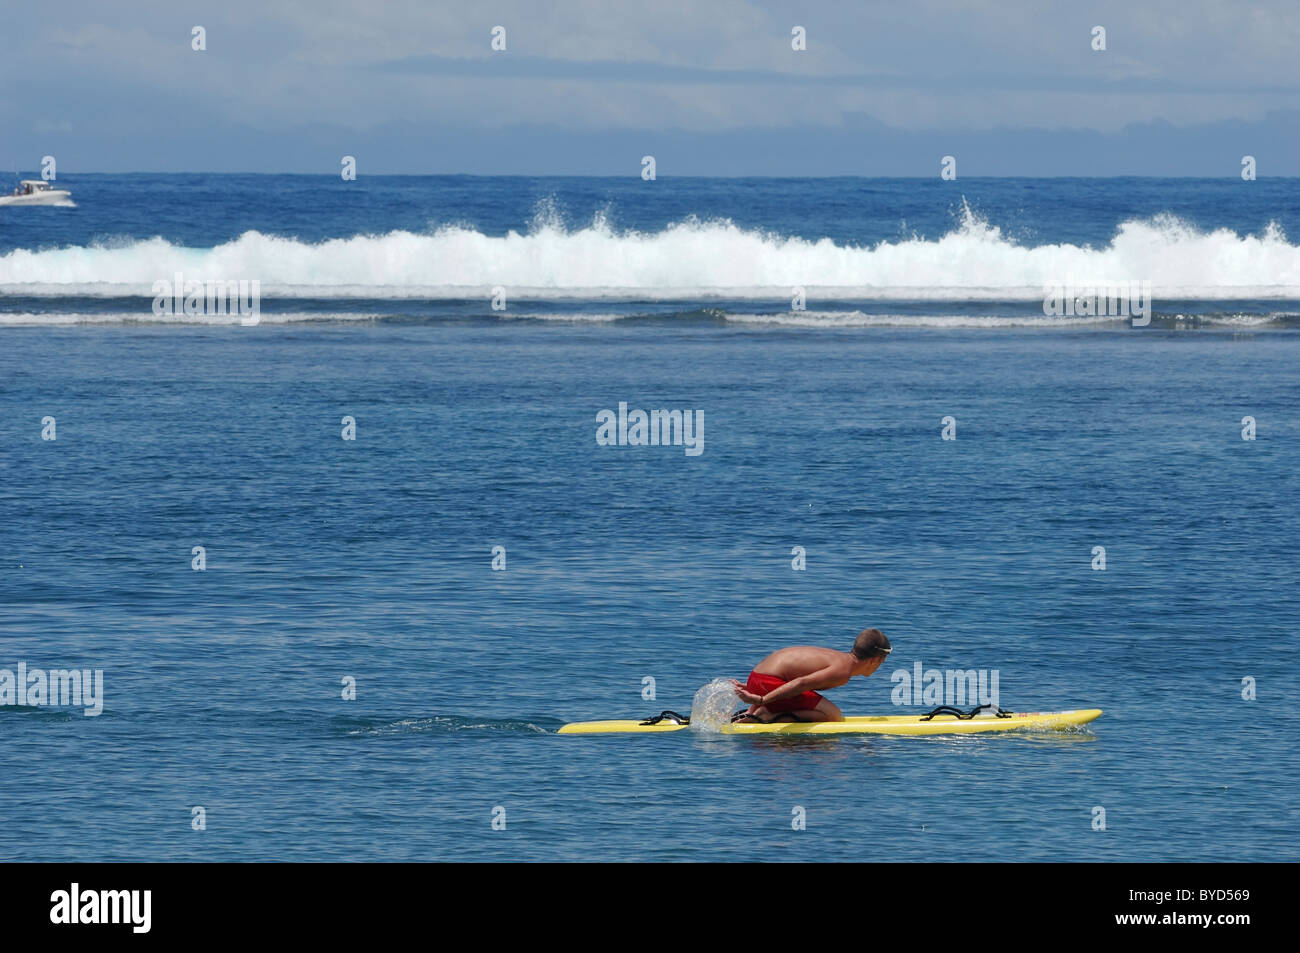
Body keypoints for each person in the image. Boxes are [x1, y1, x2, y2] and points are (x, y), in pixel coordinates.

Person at [731, 628, 891, 723]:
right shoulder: (842, 672)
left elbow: (795, 675)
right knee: (833, 715)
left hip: (758, 677)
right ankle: (766, 715)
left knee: (822, 707)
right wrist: (762, 699)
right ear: (875, 660)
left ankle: (752, 713)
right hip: (769, 682)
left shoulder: (840, 659)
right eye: (882, 662)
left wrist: (757, 687)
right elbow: (801, 683)